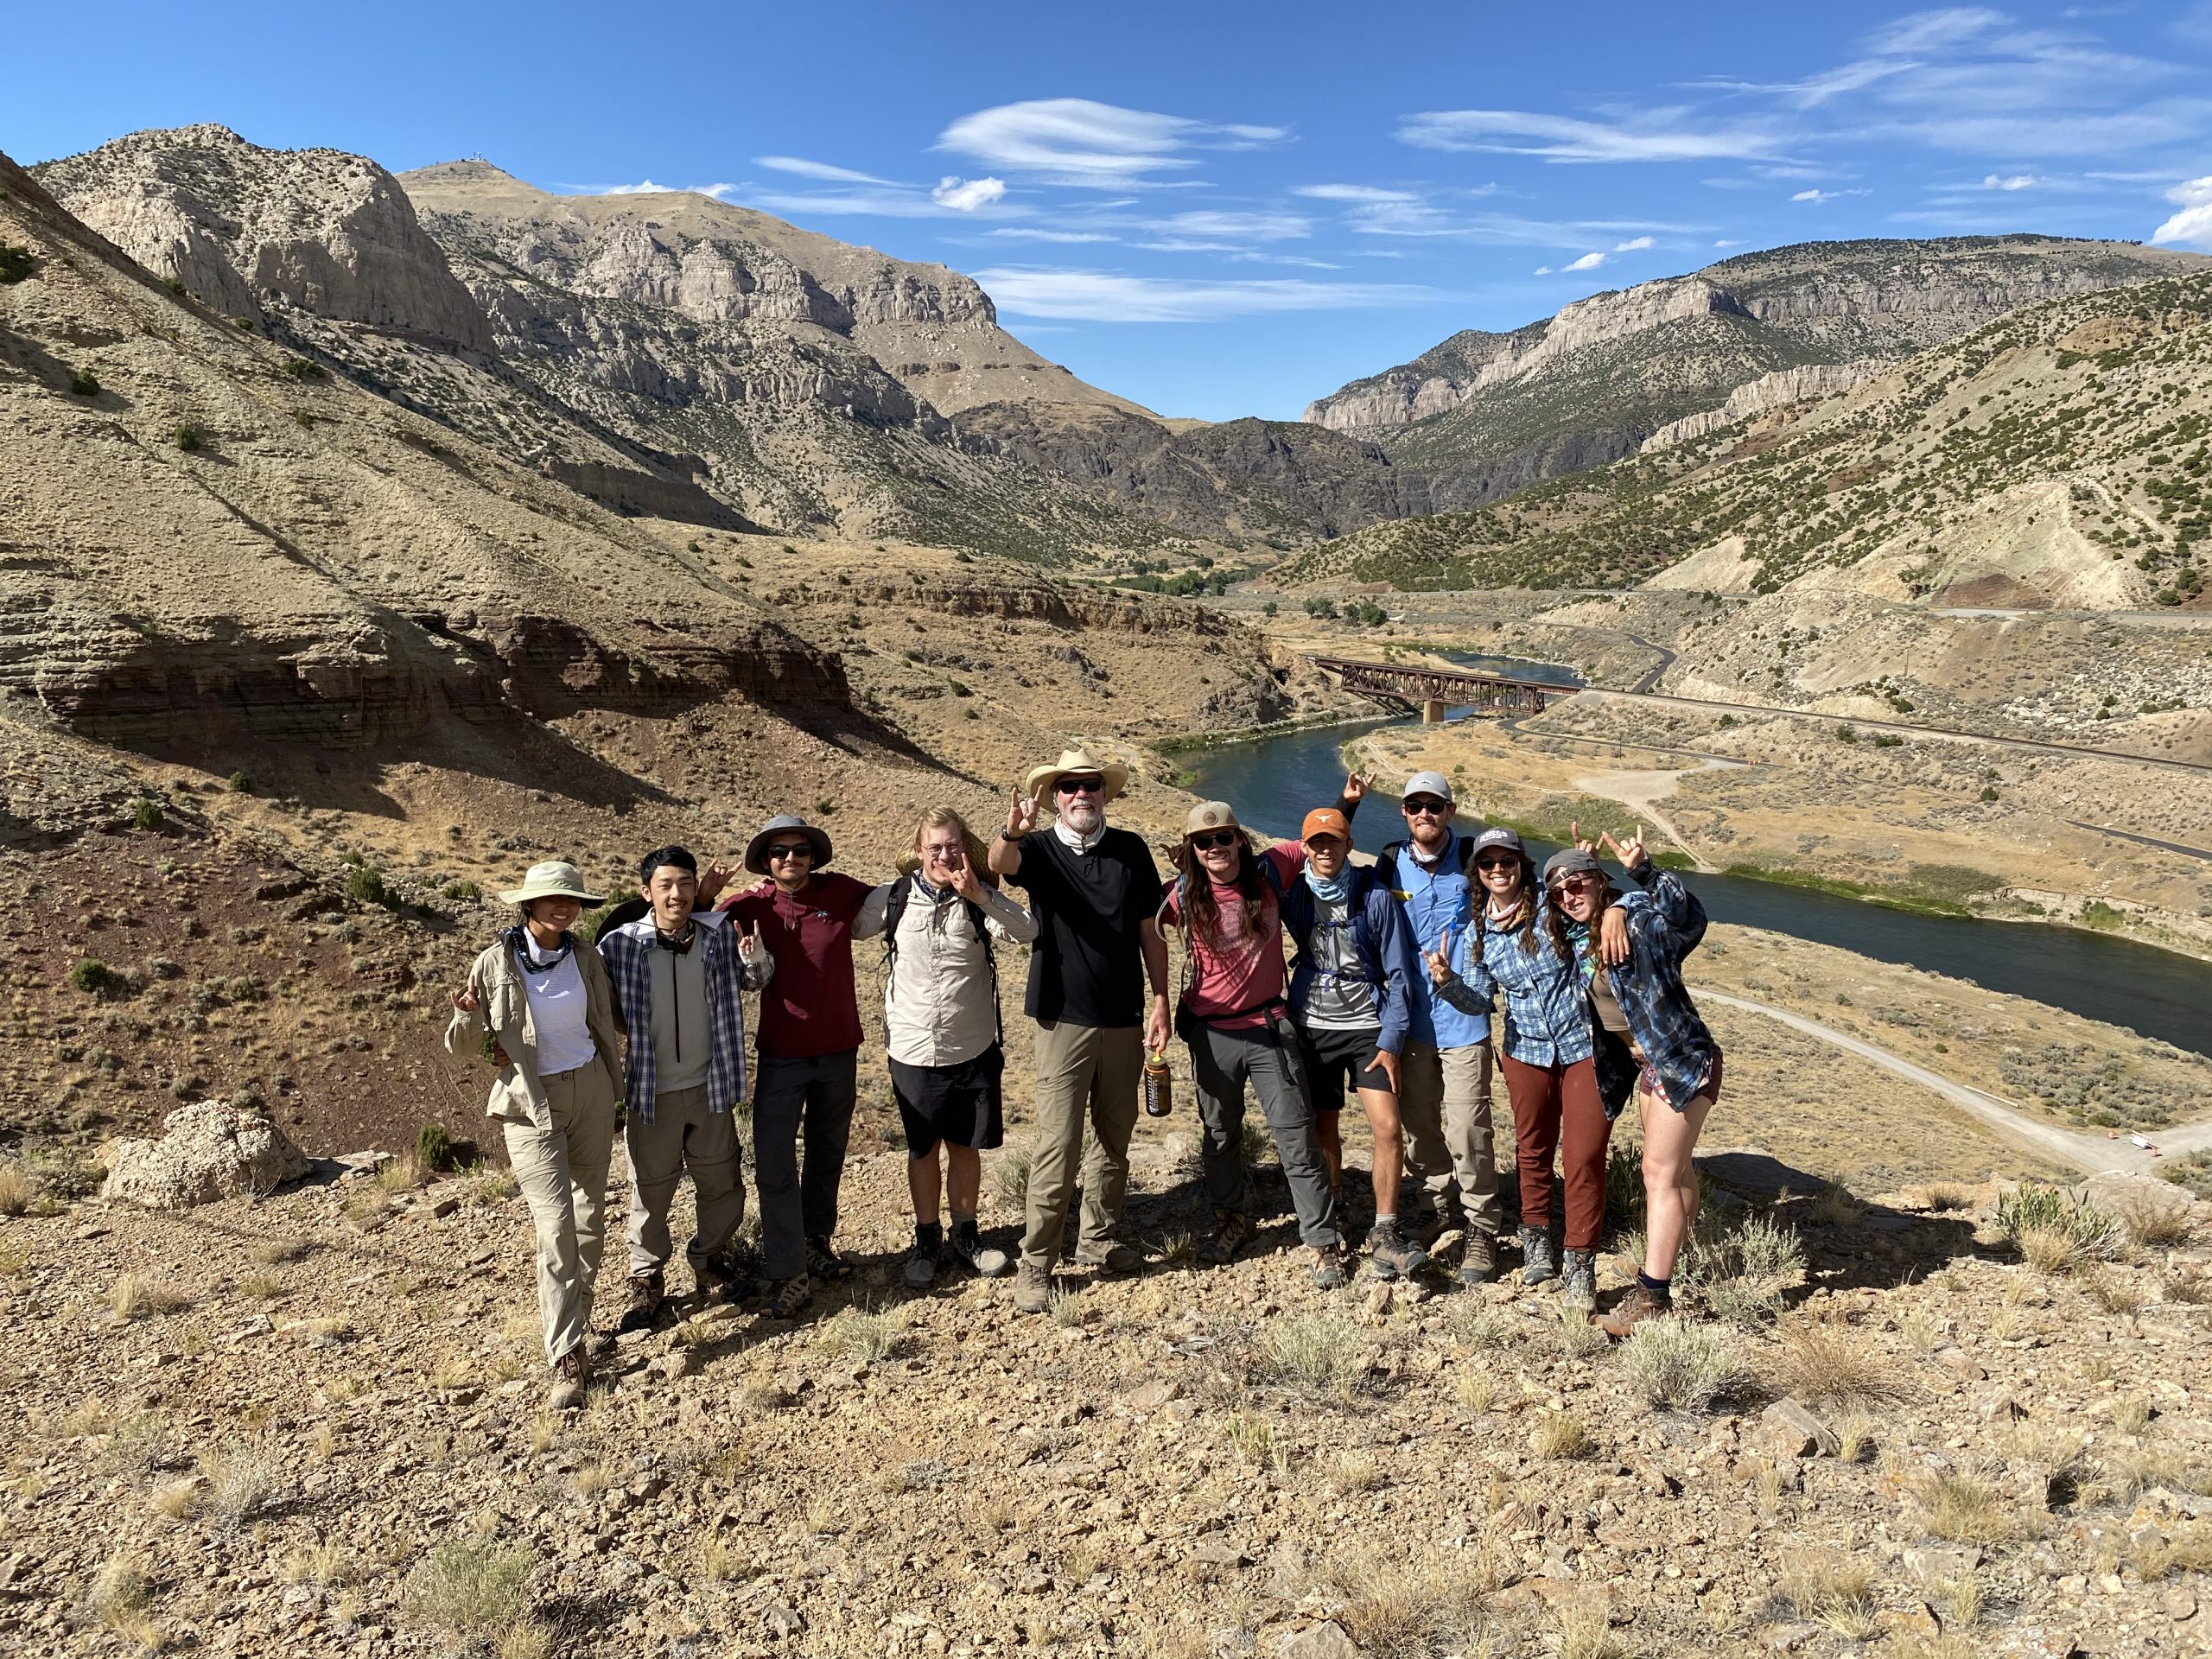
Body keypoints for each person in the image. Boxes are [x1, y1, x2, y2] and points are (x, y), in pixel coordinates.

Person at [987, 747, 1172, 1315]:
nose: (1080, 794)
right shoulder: (1037, 848)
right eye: (1068, 787)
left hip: (1123, 1017)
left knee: (1115, 1139)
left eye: (1090, 785)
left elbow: (1151, 928)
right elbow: (1001, 863)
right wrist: (1011, 830)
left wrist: (1163, 998)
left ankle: (1098, 1238)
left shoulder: (1130, 850)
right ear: (1055, 797)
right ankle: (1037, 1262)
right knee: (1059, 1142)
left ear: (1103, 793)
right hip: (1062, 1016)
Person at [444, 861, 626, 1412]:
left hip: (591, 1091)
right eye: (552, 899)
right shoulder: (494, 962)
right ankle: (566, 1355)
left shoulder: (585, 957)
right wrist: (468, 1019)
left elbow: (609, 1017)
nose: (564, 907)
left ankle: (579, 1319)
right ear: (528, 905)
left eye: (571, 900)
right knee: (556, 1227)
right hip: (531, 1103)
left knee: (591, 1219)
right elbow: (462, 1046)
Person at [1424, 830, 1625, 1312]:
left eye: (1507, 860)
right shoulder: (1475, 933)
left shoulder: (1551, 910)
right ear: (1478, 872)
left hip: (1582, 1048)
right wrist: (1448, 982)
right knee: (1532, 1150)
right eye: (1488, 861)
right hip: (1524, 1053)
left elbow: (1593, 920)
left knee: (1582, 1156)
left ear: (1520, 865)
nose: (1498, 868)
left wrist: (1611, 901)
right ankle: (1536, 1238)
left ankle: (1580, 1259)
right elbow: (1480, 1003)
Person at [1159, 798, 1356, 1289]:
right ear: (1193, 850)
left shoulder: (1271, 870)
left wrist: (1347, 802)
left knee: (1295, 1132)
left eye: (1223, 837)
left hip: (1268, 1027)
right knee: (1220, 1133)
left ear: (1240, 840)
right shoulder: (1181, 893)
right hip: (1212, 1032)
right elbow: (1140, 925)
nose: (1215, 847)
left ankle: (1322, 1239)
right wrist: (1159, 1003)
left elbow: (1321, 836)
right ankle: (1231, 1222)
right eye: (1203, 842)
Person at [855, 808, 1038, 1289]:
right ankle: (926, 1239)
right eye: (934, 847)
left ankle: (966, 1234)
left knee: (964, 1147)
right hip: (913, 1050)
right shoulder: (890, 899)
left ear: (964, 847)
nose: (943, 855)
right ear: (919, 851)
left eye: (952, 846)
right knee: (922, 1149)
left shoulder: (979, 899)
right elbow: (844, 927)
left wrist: (980, 894)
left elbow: (1027, 931)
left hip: (972, 1047)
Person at [597, 846, 772, 1332]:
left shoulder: (719, 935)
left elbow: (756, 980)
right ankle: (647, 1280)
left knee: (721, 1182)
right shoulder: (620, 946)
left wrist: (755, 958)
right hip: (651, 1091)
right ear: (646, 893)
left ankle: (708, 1261)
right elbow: (591, 999)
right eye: (665, 885)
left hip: (711, 1084)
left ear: (697, 889)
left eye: (685, 884)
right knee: (649, 1191)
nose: (676, 894)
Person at [1563, 828, 1723, 1338]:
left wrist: (1640, 875)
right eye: (1561, 890)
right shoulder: (1583, 935)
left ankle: (1653, 1296)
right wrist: (1587, 879)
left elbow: (1690, 918)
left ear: (1599, 883)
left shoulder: (1641, 924)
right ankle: (1682, 1253)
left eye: (1580, 885)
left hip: (1682, 1061)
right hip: (1648, 1067)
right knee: (1677, 1172)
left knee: (1658, 1173)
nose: (1571, 895)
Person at [718, 816, 873, 1319]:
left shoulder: (842, 892)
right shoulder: (749, 906)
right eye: (779, 851)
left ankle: (814, 1244)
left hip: (840, 1049)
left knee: (827, 1152)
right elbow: (696, 921)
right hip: (782, 1054)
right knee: (774, 1163)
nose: (790, 858)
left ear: (813, 854)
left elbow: (898, 898)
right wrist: (703, 893)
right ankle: (789, 1271)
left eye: (800, 849)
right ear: (766, 860)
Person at [1281, 805, 1426, 1281]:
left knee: (1387, 1128)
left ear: (1348, 845)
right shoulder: (1295, 893)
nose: (1326, 851)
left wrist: (1392, 1037)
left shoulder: (1376, 897)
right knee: (1324, 1126)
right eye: (1317, 843)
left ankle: (1385, 1228)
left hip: (1368, 1028)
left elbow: (1401, 971)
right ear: (1305, 847)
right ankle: (1333, 1212)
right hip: (1314, 1027)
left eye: (1334, 842)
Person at [1374, 771, 1502, 1283]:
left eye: (1434, 806)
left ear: (1451, 811)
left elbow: (1548, 895)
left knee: (1468, 1126)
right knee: (1419, 1122)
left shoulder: (1477, 861)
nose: (1424, 814)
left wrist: (1618, 905)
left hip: (1465, 1018)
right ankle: (1437, 1204)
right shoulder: (1388, 863)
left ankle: (1482, 1226)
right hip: (1408, 1021)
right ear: (1404, 813)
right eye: (1414, 806)